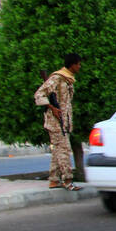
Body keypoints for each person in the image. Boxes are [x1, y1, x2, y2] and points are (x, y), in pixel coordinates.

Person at [34, 53, 82, 189]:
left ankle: (54, 179)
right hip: (55, 121)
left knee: (58, 150)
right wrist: (51, 107)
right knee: (64, 150)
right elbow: (39, 94)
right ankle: (67, 180)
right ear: (72, 64)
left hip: (64, 120)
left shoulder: (67, 79)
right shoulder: (57, 78)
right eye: (78, 64)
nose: (79, 67)